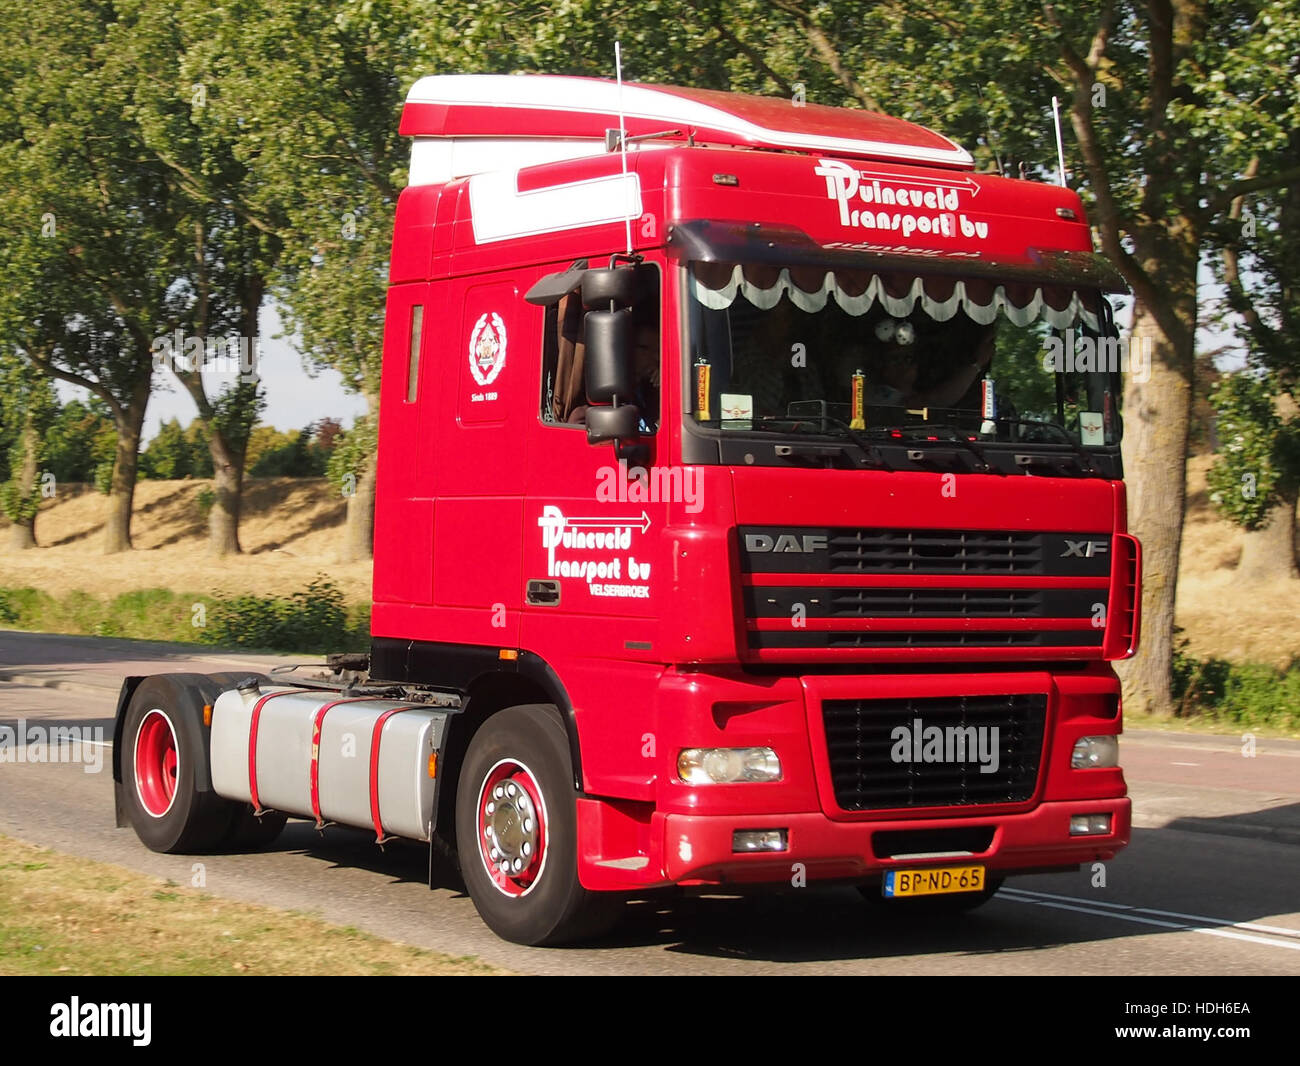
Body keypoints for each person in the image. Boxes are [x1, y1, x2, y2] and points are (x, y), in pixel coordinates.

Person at [868, 320, 995, 410]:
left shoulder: (912, 392)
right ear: (881, 363)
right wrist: (977, 364)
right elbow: (935, 399)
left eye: (908, 358)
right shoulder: (876, 396)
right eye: (895, 359)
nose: (903, 365)